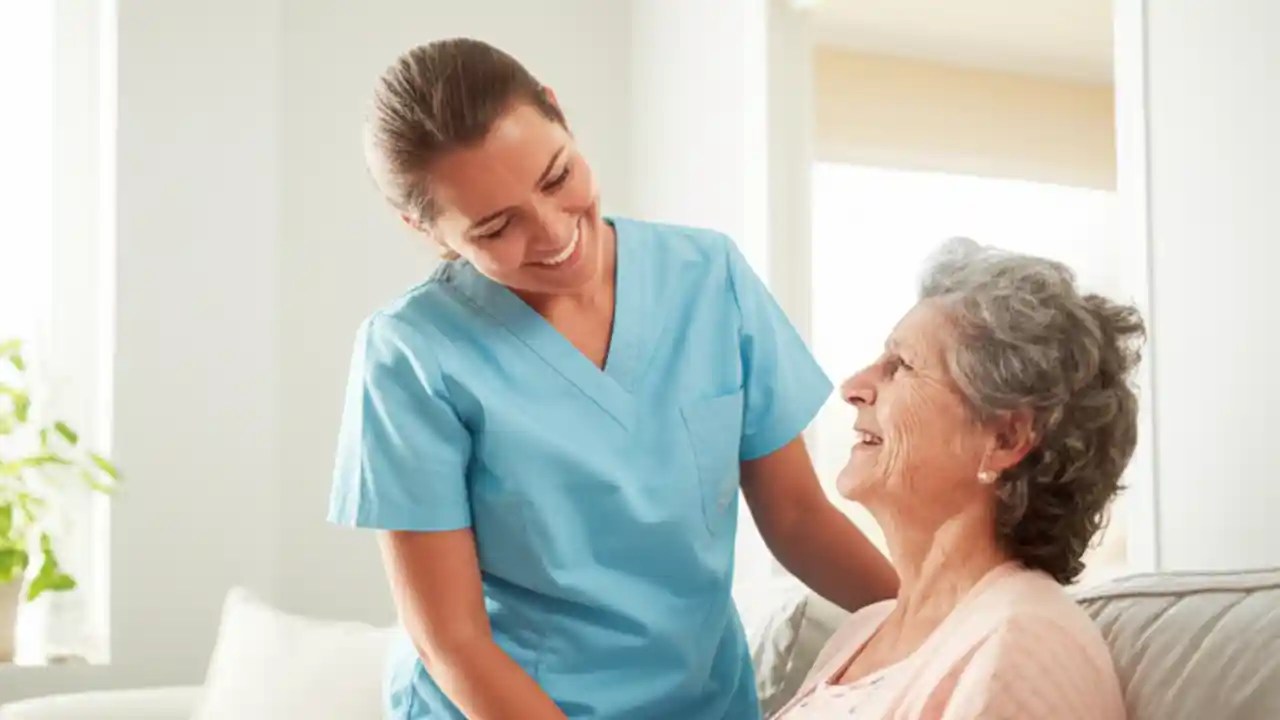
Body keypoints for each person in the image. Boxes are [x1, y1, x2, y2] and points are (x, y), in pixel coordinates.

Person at [328, 38, 898, 720]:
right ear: (428, 231)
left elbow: (800, 518)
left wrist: (948, 621)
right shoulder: (412, 355)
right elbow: (452, 642)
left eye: (556, 176)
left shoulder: (708, 277)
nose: (552, 234)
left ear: (559, 114)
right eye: (496, 227)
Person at [773, 238, 1137, 719]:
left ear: (1006, 438)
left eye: (901, 366)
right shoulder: (863, 632)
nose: (854, 388)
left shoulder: (1023, 646)